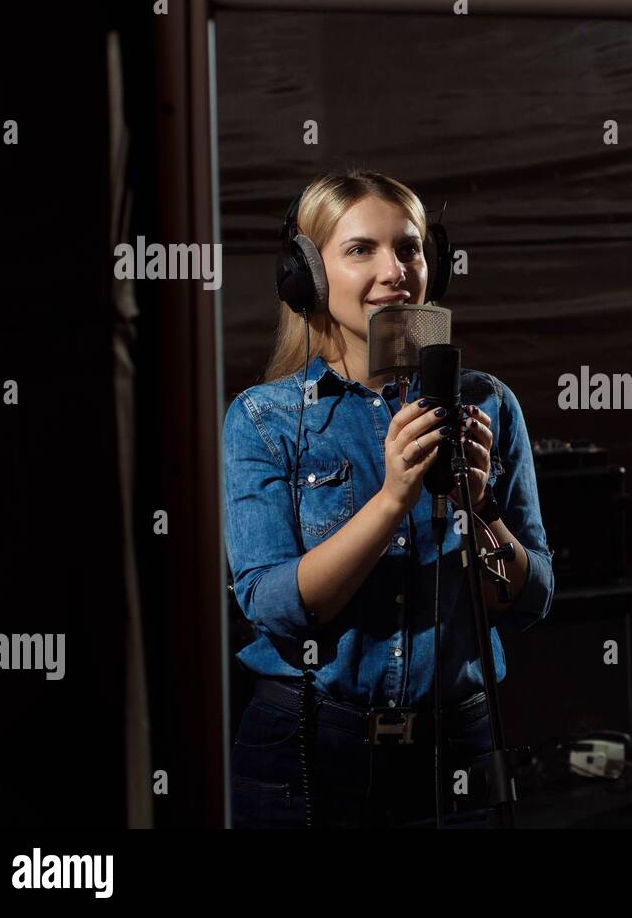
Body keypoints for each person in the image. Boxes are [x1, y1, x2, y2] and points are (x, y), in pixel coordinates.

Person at [222, 169, 553, 828]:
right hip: (310, 751)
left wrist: (481, 508)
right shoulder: (263, 419)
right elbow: (276, 604)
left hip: (459, 744)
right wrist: (392, 499)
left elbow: (531, 598)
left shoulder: (489, 403)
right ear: (307, 276)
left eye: (409, 247)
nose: (395, 269)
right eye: (360, 249)